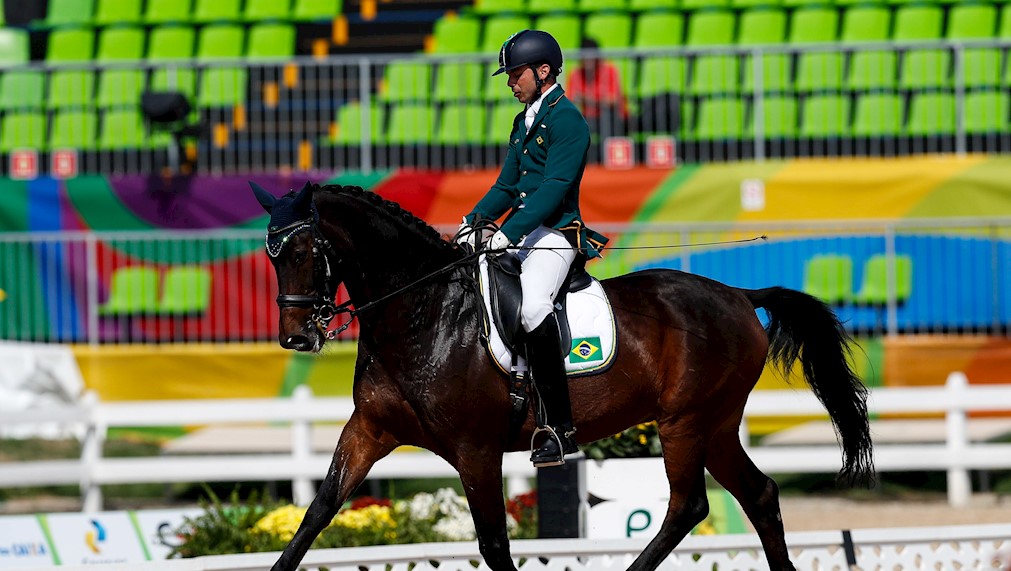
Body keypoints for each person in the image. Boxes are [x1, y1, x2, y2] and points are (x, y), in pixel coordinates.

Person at [456, 29, 608, 468]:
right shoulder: (524, 119)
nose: (510, 82)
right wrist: (475, 220)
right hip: (525, 231)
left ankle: (560, 428)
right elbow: (507, 185)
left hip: (557, 232)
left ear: (543, 72)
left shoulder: (568, 121)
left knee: (532, 308)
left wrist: (509, 232)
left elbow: (554, 188)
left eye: (515, 73)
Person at [567, 38, 629, 139]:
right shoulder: (575, 73)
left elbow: (613, 101)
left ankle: (606, 153)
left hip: (611, 118)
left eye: (591, 57)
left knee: (607, 118)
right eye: (585, 57)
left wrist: (588, 100)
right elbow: (570, 99)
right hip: (588, 118)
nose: (588, 61)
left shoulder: (610, 70)